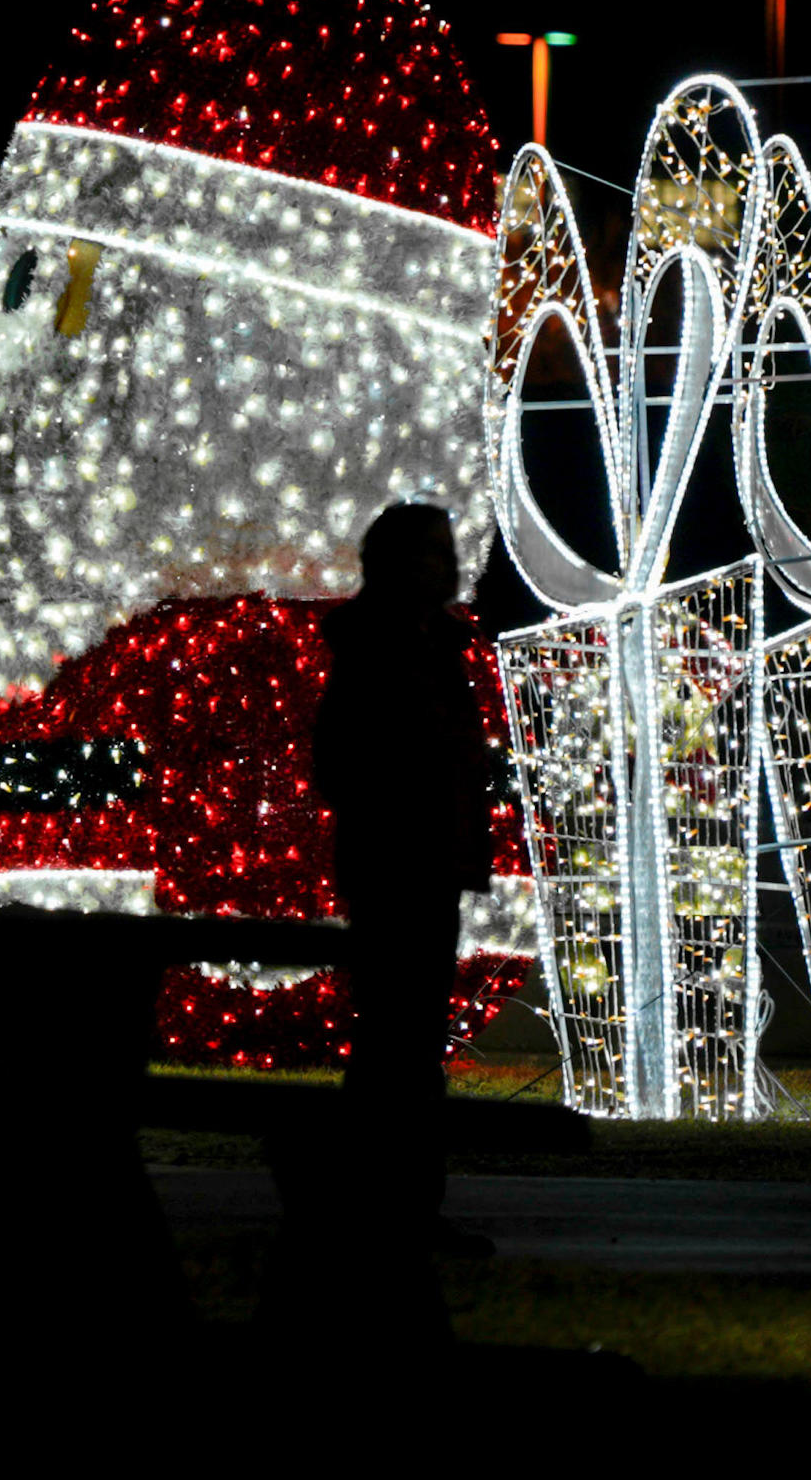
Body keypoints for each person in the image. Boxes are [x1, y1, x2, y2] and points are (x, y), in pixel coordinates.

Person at [304, 501, 495, 1315]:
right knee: (394, 1040)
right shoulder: (381, 647)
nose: (439, 564)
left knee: (411, 1041)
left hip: (432, 865)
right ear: (388, 562)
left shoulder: (436, 643)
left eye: (443, 551)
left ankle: (405, 1207)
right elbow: (340, 760)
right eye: (424, 552)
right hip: (397, 866)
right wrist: (407, 808)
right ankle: (382, 1209)